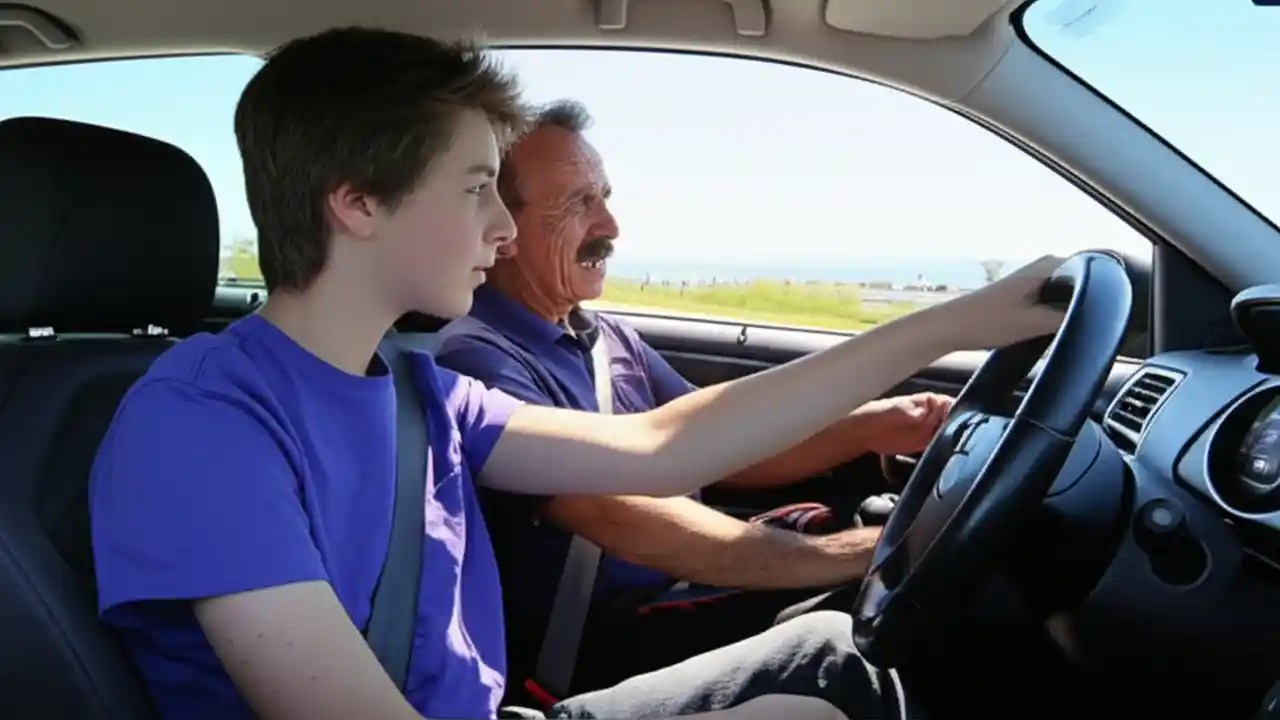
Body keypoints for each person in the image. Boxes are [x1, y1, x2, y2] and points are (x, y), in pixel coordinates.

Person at [88, 25, 1064, 720]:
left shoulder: (426, 395)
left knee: (835, 665)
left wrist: (971, 317)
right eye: (475, 190)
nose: (503, 229)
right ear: (357, 204)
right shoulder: (199, 423)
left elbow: (664, 443)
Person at [434, 99, 953, 690]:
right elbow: (616, 515)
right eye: (579, 204)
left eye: (604, 197)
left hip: (676, 587)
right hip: (603, 640)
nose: (610, 226)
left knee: (844, 542)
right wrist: (862, 554)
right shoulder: (475, 357)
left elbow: (725, 447)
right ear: (502, 227)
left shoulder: (604, 337)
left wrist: (866, 426)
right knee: (861, 633)